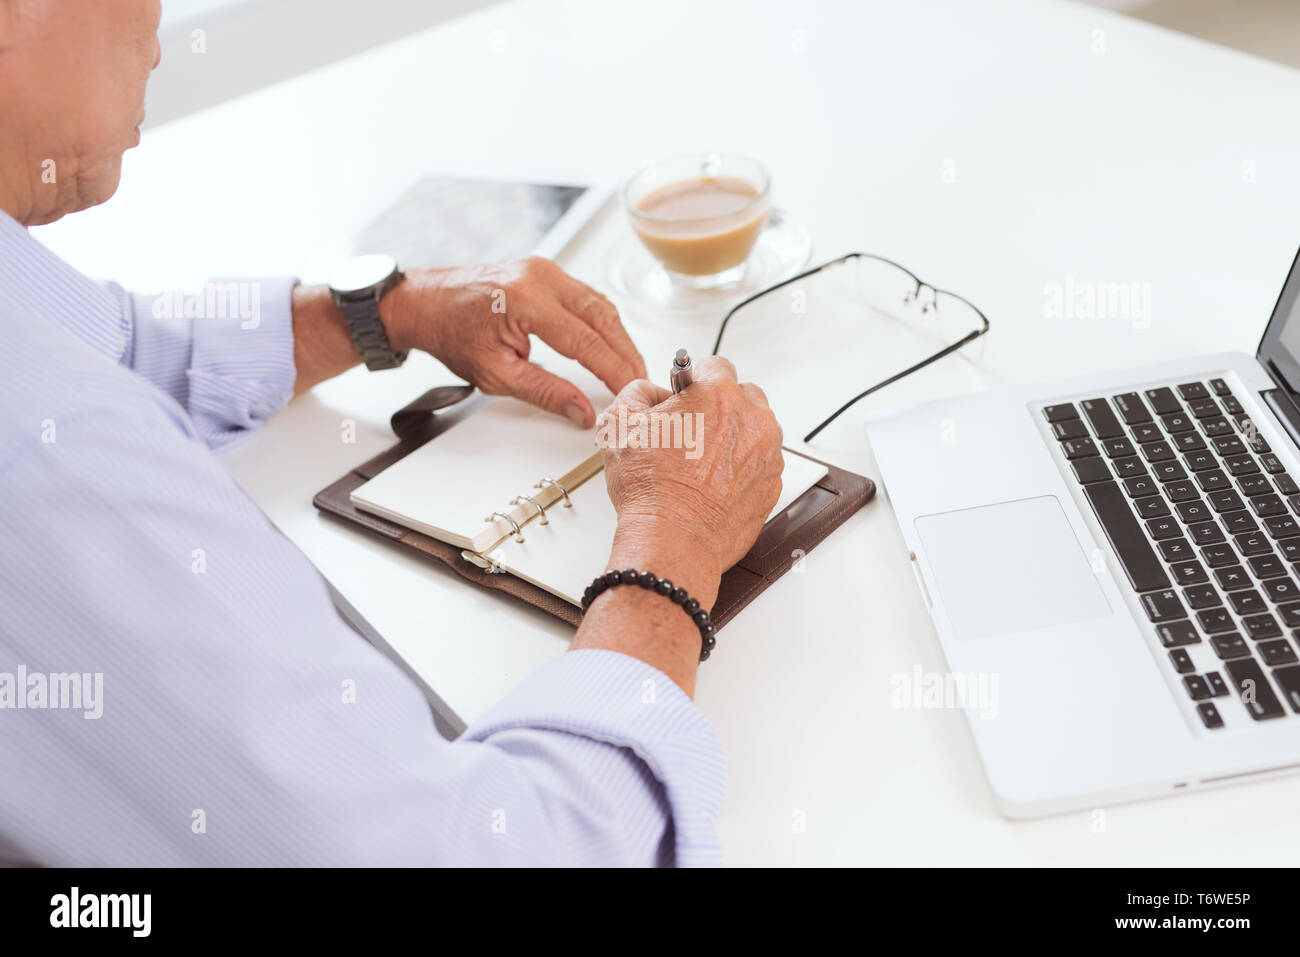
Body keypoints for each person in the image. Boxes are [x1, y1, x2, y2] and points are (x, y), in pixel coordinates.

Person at [0, 0, 783, 865]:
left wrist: (380, 311)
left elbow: (113, 348)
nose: (159, 27)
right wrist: (671, 549)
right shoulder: (52, 453)